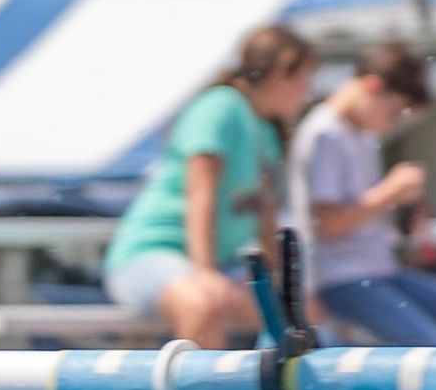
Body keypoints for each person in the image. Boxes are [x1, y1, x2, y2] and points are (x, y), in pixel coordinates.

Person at [104, 23, 316, 347]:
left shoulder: (266, 132)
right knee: (203, 306)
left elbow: (265, 220)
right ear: (278, 74)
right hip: (148, 255)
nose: (307, 92)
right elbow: (201, 194)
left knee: (301, 315)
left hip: (212, 264)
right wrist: (204, 272)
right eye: (303, 79)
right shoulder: (221, 107)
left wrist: (283, 292)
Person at [287, 41, 436, 347]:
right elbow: (329, 224)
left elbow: (360, 211)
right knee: (433, 347)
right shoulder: (326, 134)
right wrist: (391, 191)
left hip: (377, 271)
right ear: (373, 87)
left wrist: (401, 211)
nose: (391, 125)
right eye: (394, 112)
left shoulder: (359, 134)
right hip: (341, 278)